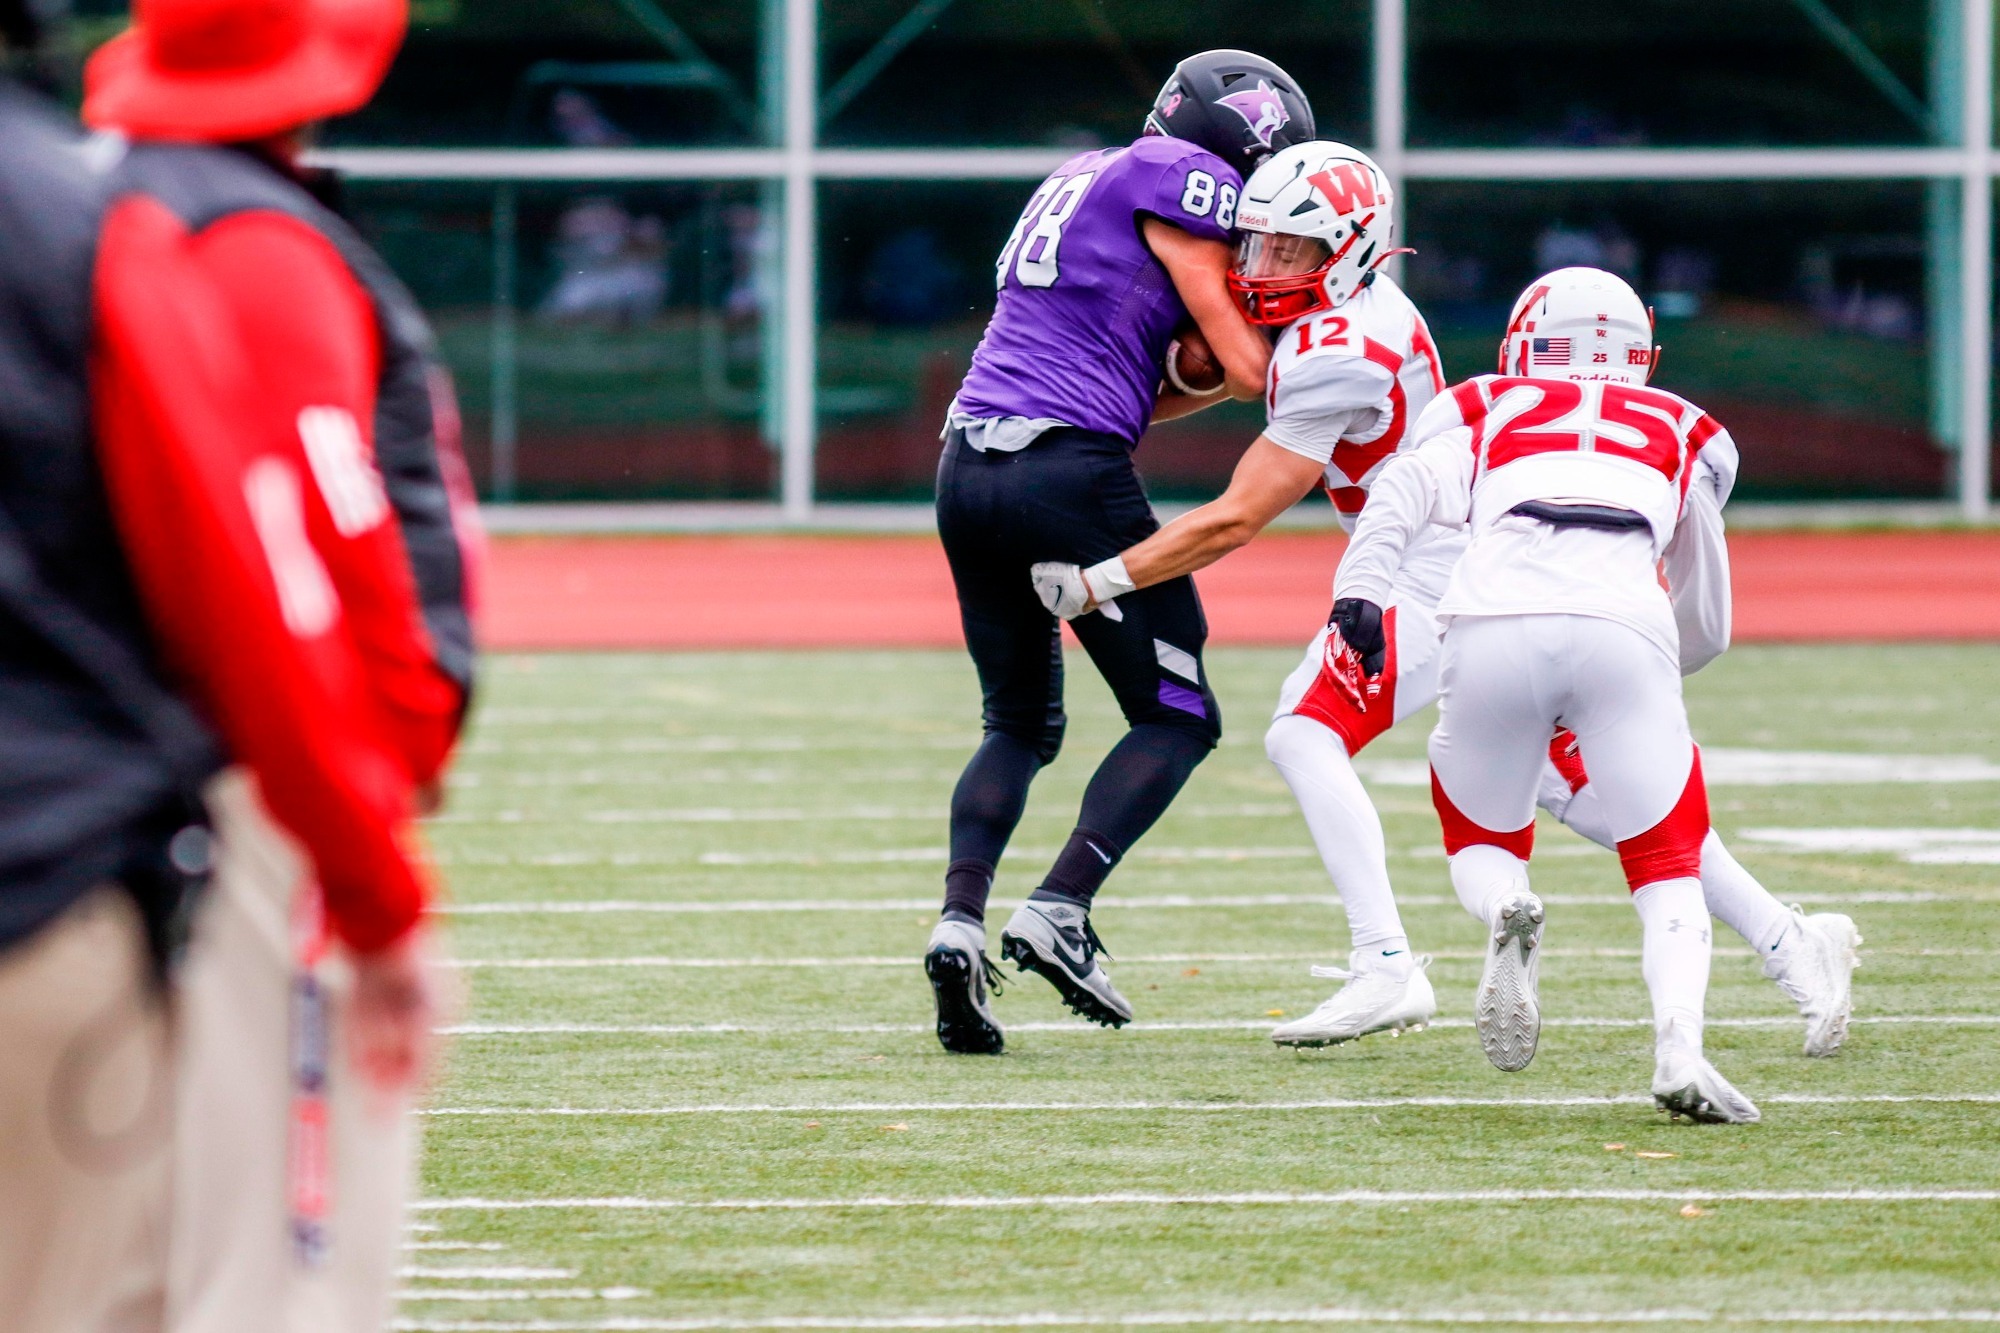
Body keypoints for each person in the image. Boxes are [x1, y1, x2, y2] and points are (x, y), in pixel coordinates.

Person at [1034, 146, 1859, 1057]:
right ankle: (1792, 937)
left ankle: (1385, 960)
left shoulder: (1338, 350)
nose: (1261, 269)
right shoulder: (1361, 310)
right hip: (1493, 574)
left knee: (1302, 734)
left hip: (1434, 577)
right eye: (1258, 245)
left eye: (1289, 251)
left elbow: (1235, 516)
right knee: (1591, 796)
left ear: (1347, 250)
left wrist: (1099, 582)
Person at [0, 0, 446, 1326]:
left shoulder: (120, 206)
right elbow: (266, 573)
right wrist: (377, 871)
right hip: (82, 856)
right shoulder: (146, 234)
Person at [924, 49, 1316, 1054]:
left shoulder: (1082, 172)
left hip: (966, 462)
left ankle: (958, 922)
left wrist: (1194, 368)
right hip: (1066, 476)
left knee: (1014, 720)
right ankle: (1058, 907)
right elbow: (1239, 366)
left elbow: (1134, 380)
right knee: (1176, 716)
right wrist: (1299, 341)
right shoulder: (1185, 184)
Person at [1333, 265, 1763, 1122]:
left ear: (1525, 339)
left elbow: (1405, 489)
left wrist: (1361, 589)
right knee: (1670, 867)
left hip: (1491, 618)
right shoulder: (1686, 425)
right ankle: (1680, 1047)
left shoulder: (1483, 402)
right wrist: (1650, 675)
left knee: (1481, 837)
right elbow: (1706, 612)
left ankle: (1508, 906)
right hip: (1625, 624)